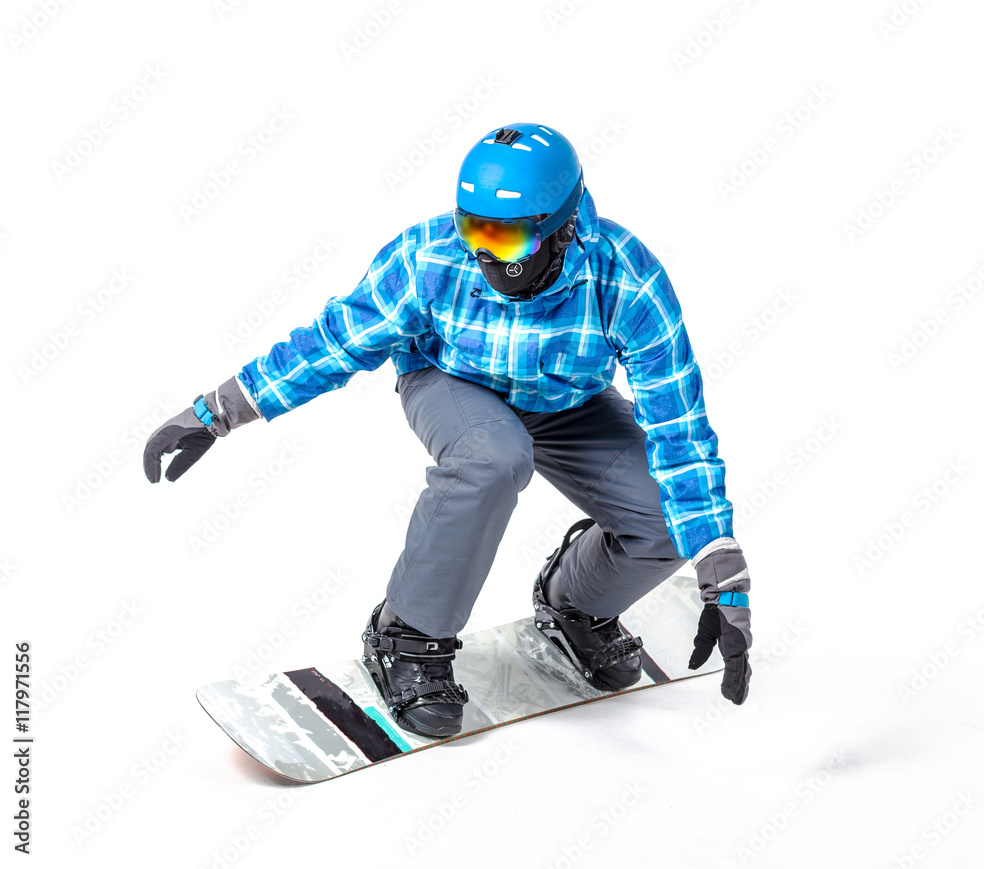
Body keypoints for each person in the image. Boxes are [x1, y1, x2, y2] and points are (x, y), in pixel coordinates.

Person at [144, 122, 753, 739]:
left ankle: (577, 603)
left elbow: (678, 423)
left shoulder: (627, 278)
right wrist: (215, 412)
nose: (486, 254)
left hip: (569, 401)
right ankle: (406, 635)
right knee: (493, 456)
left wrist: (721, 569)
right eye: (474, 229)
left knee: (664, 515)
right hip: (452, 384)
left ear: (562, 227)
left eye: (506, 237)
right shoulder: (428, 258)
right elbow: (333, 343)